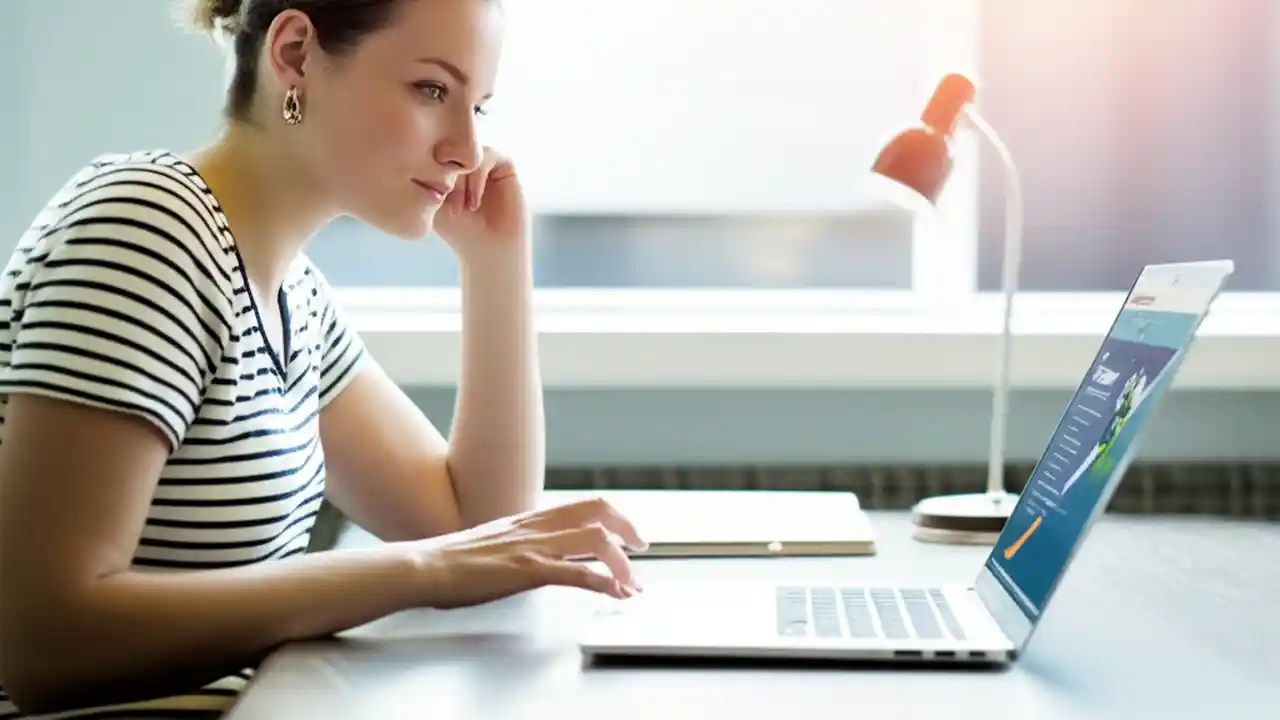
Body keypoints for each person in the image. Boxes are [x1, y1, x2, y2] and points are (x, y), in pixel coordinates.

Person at [0, 0, 647, 716]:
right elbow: (44, 644)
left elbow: (479, 529)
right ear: (297, 54)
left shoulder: (292, 295)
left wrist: (495, 264)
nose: (466, 148)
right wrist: (411, 573)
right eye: (432, 90)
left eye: (480, 107)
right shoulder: (149, 231)